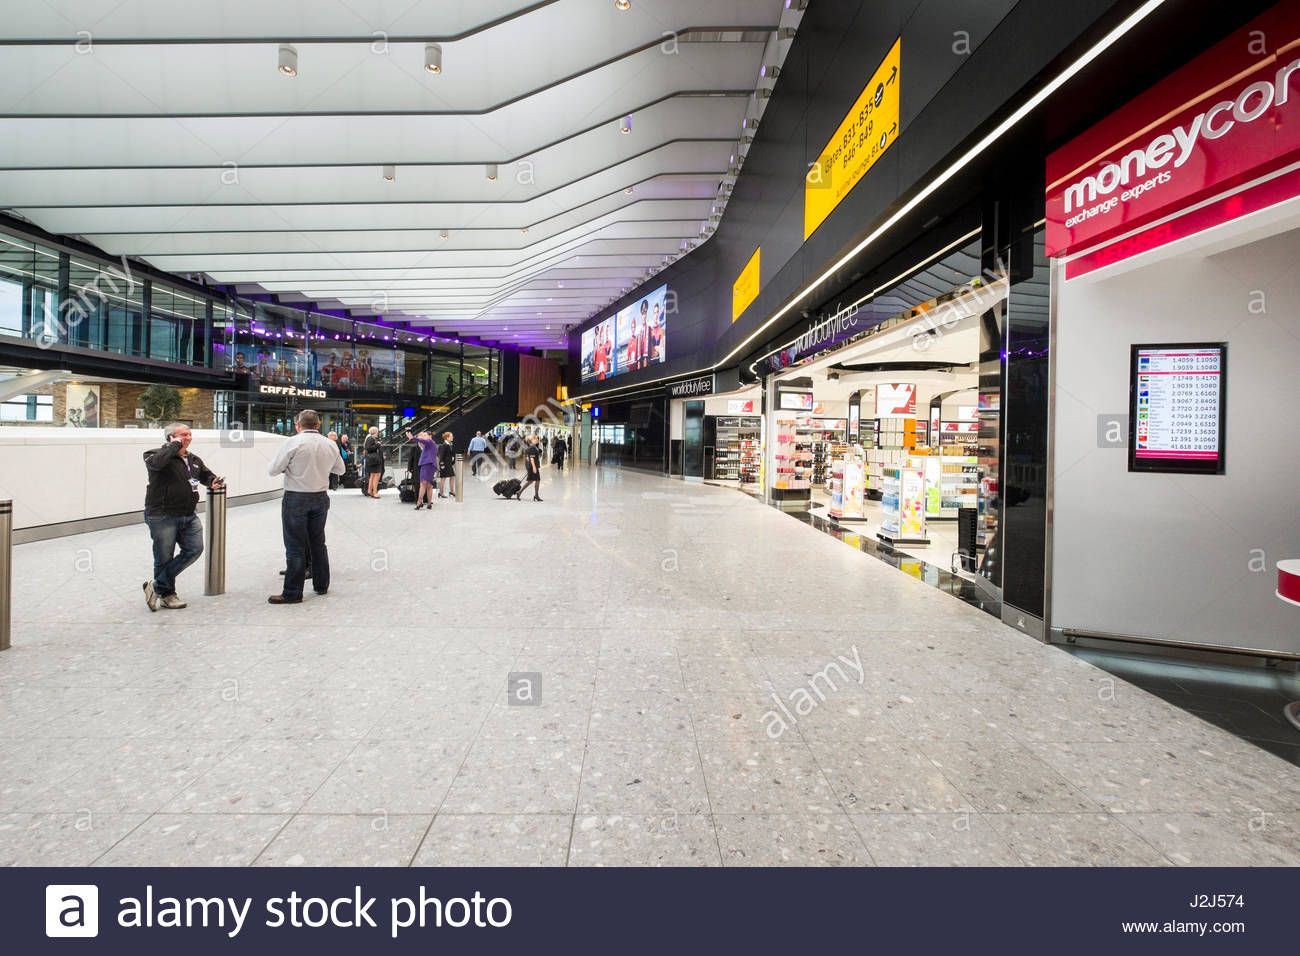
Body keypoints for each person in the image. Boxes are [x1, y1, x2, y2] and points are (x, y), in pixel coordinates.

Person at [141, 423, 224, 611]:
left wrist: (213, 481)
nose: (188, 437)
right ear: (171, 437)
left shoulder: (193, 459)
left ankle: (156, 587)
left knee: (194, 549)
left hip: (188, 514)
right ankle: (168, 595)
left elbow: (205, 475)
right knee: (164, 557)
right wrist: (174, 447)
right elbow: (157, 465)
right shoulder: (153, 455)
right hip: (162, 515)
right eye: (183, 435)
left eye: (189, 434)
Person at [266, 409, 344, 604]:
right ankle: (321, 585)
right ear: (318, 425)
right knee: (318, 543)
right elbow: (340, 470)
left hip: (296, 498)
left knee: (295, 546)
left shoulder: (292, 442)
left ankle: (293, 592)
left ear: (298, 425)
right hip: (320, 498)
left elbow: (273, 470)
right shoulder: (330, 444)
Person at [405, 430, 438, 509]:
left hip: (427, 465)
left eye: (424, 435)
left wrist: (413, 438)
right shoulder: (430, 444)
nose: (423, 437)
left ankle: (419, 502)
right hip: (429, 465)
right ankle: (429, 503)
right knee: (429, 485)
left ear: (430, 436)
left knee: (422, 484)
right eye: (422, 435)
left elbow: (421, 440)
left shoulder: (430, 442)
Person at [519, 434, 543, 501]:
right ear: (532, 441)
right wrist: (534, 468)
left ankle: (536, 495)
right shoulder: (532, 448)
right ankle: (520, 492)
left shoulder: (533, 446)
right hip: (533, 467)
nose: (537, 439)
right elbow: (531, 459)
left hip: (533, 466)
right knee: (533, 481)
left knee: (532, 481)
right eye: (535, 438)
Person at [363, 425, 383, 497]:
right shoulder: (371, 438)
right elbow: (368, 448)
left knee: (373, 475)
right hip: (374, 460)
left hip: (373, 460)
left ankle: (370, 490)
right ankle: (374, 492)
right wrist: (377, 445)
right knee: (376, 475)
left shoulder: (370, 438)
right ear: (375, 431)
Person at [437, 431, 456, 498]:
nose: (452, 437)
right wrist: (442, 464)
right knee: (443, 478)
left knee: (452, 476)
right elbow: (440, 456)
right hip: (444, 464)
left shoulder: (450, 444)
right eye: (451, 436)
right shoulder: (443, 445)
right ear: (447, 437)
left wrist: (452, 460)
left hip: (449, 464)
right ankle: (441, 493)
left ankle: (451, 491)